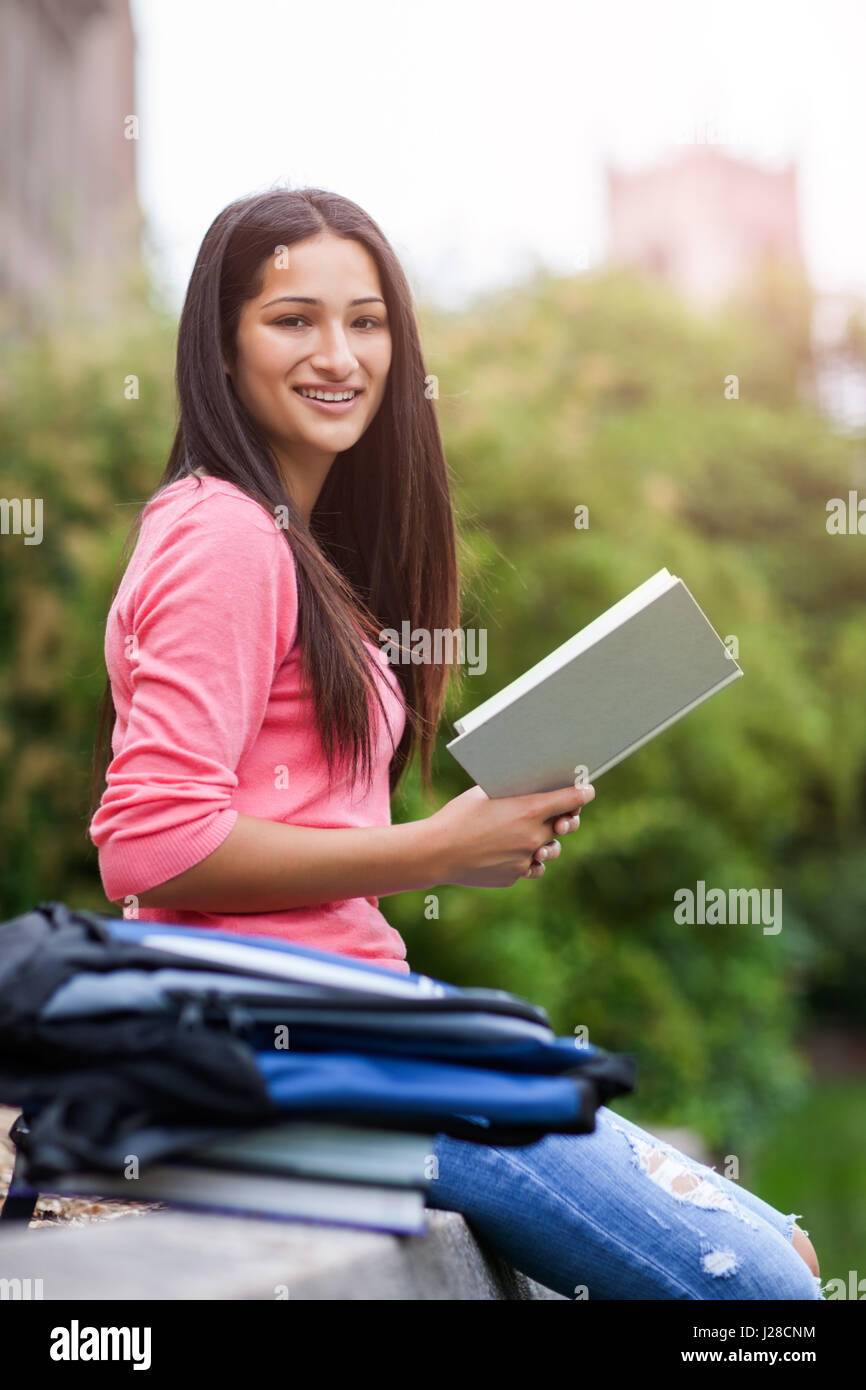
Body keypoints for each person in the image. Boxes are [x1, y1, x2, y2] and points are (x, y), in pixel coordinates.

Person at [88, 187, 822, 1301]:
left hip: (359, 1022)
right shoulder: (224, 534)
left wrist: (469, 842)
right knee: (758, 1293)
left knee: (787, 1247)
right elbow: (151, 841)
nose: (338, 353)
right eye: (293, 319)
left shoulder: (286, 542)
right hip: (296, 1049)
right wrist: (433, 849)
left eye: (366, 320)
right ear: (221, 342)